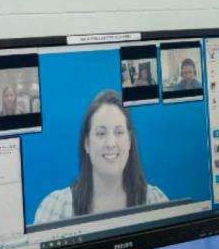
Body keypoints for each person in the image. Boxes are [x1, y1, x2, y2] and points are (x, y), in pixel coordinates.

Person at [33, 89, 168, 224]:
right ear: (87, 143)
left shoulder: (155, 201)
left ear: (130, 140)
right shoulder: (56, 208)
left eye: (119, 132)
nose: (111, 143)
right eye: (101, 133)